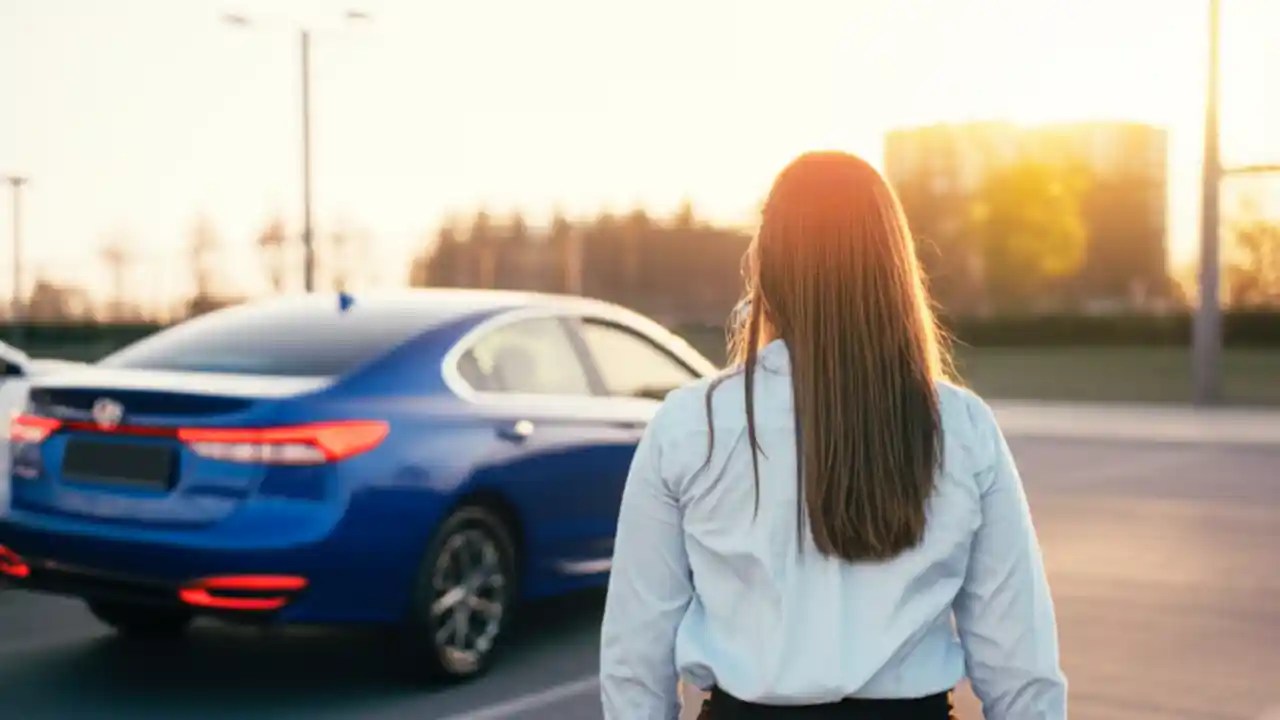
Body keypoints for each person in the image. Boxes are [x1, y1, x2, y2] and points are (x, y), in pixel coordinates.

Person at [600, 151, 1066, 719]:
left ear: (766, 268)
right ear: (893, 269)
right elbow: (1023, 675)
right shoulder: (961, 429)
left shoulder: (688, 426)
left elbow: (634, 667)